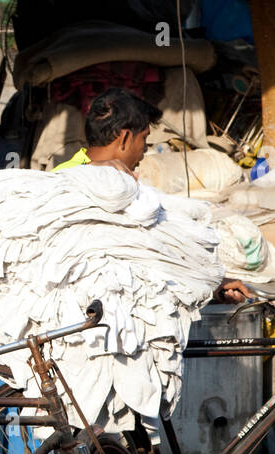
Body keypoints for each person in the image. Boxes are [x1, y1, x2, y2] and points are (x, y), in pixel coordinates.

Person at [55, 87, 252, 304]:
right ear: (125, 138)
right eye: (144, 140)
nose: (145, 150)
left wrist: (210, 283)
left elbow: (150, 252)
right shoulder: (69, 178)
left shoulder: (124, 182)